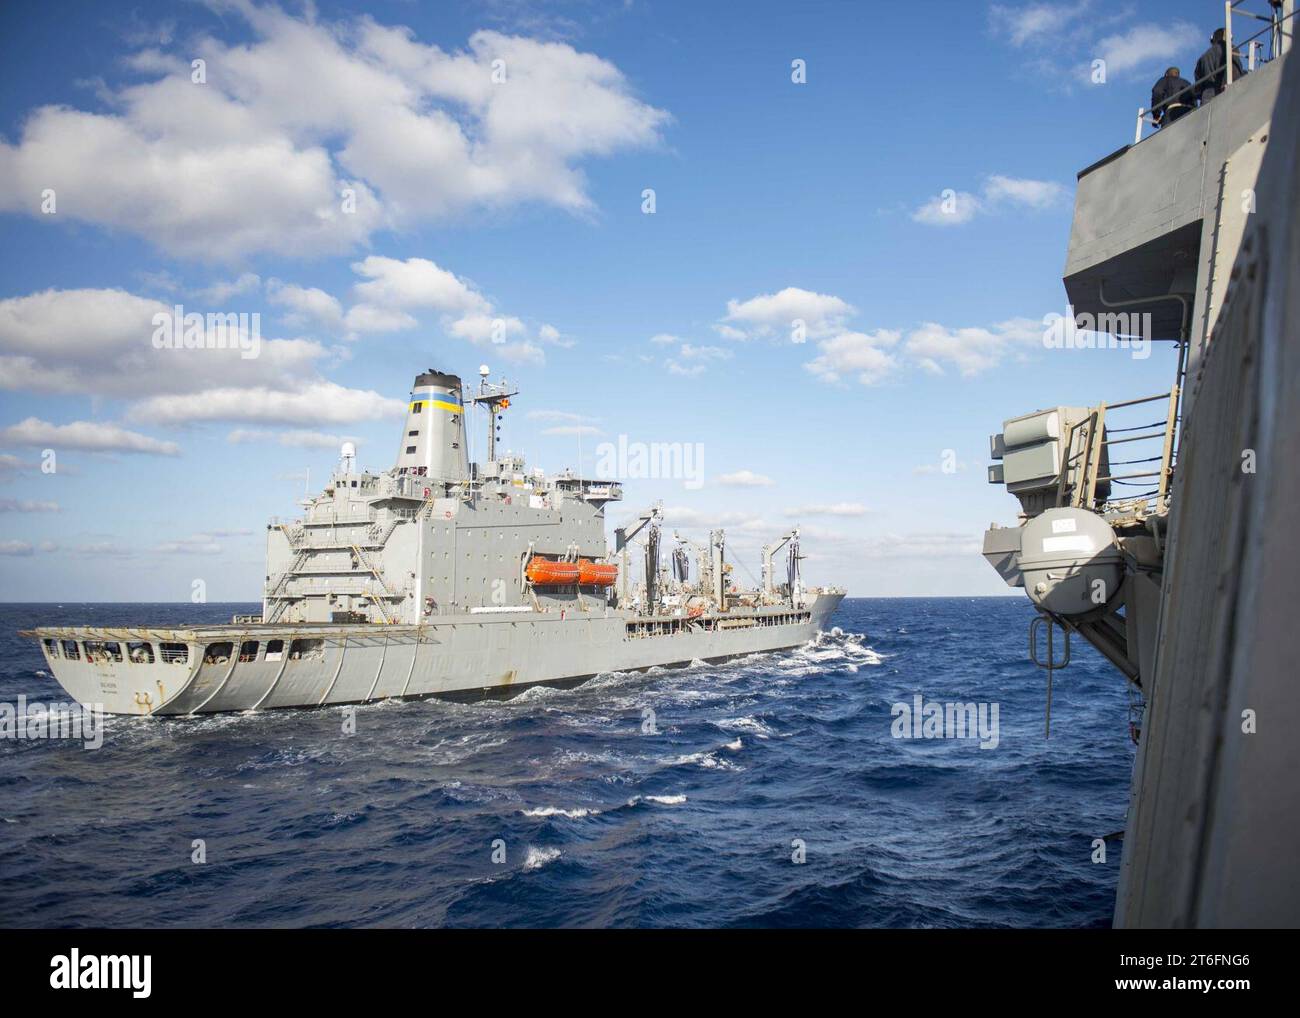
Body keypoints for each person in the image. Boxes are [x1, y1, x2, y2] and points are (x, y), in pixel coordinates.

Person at [1194, 28, 1246, 104]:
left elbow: (1197, 88)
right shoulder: (1229, 48)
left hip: (1206, 98)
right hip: (1221, 93)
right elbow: (1234, 71)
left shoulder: (1202, 58)